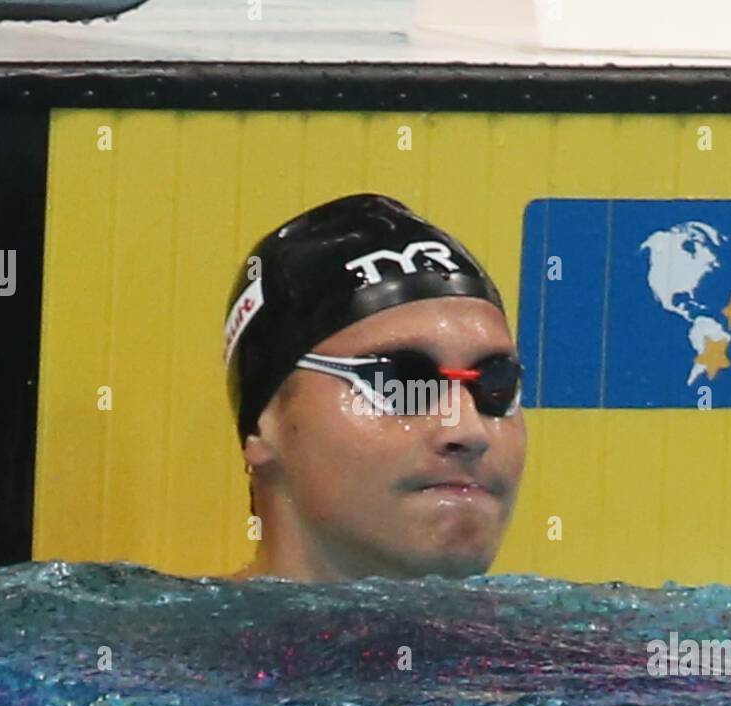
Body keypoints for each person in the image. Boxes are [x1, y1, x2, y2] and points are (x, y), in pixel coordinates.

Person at [224, 193, 526, 582]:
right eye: (401, 382)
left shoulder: (575, 637)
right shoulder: (151, 637)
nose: (468, 430)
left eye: (494, 384)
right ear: (262, 424)